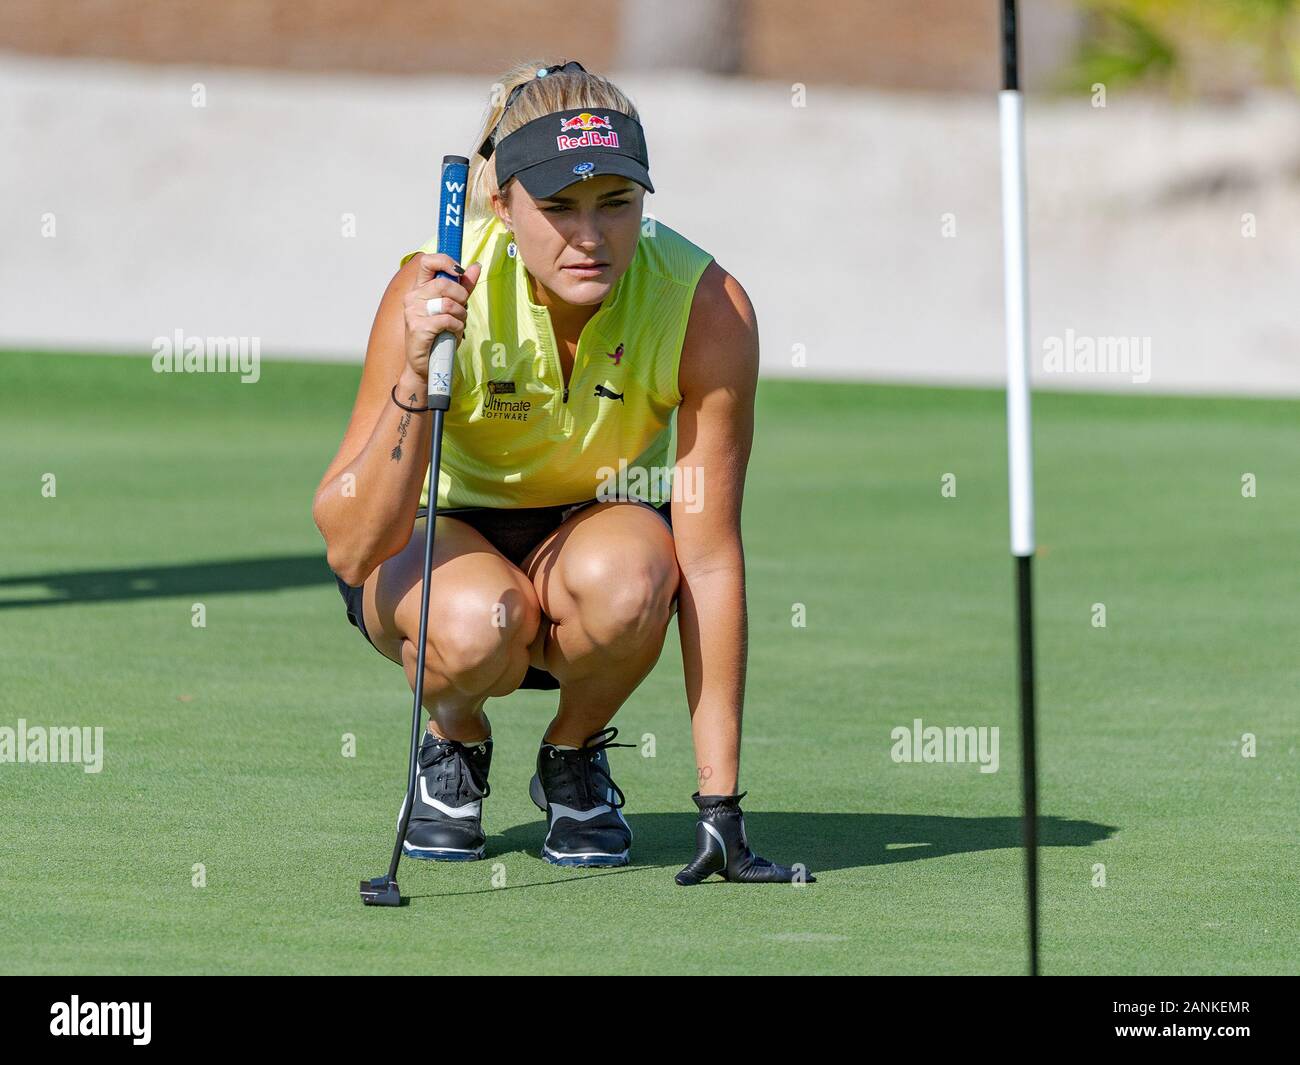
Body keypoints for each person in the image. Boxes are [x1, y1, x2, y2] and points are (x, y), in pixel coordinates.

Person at [314, 59, 809, 884]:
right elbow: (351, 548)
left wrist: (720, 803)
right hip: (433, 540)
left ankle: (572, 755)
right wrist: (412, 378)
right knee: (477, 623)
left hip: (594, 527)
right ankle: (455, 737)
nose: (591, 236)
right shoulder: (435, 282)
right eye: (558, 208)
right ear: (502, 205)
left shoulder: (706, 304)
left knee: (634, 578)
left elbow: (712, 554)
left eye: (617, 205)